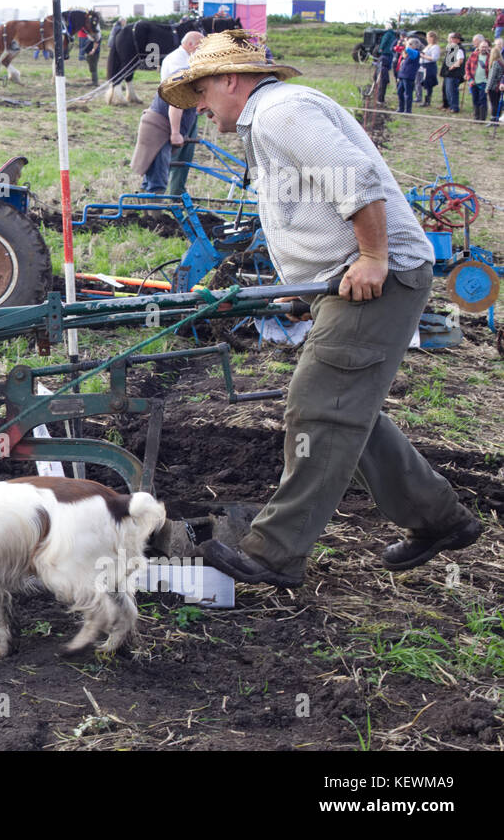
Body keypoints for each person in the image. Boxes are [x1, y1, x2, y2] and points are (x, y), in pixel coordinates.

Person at [158, 30, 482, 588]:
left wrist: (374, 256)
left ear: (230, 79)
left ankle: (274, 552)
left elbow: (355, 180)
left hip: (381, 278)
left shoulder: (283, 112)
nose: (202, 109)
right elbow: (306, 212)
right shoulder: (267, 121)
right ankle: (439, 520)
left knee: (318, 410)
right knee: (347, 410)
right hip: (347, 283)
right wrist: (305, 292)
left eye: (203, 92)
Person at [130, 30, 203, 194]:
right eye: (201, 46)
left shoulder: (186, 61)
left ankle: (148, 212)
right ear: (190, 44)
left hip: (166, 121)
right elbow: (176, 102)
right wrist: (175, 133)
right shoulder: (180, 65)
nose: (203, 51)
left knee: (155, 173)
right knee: (158, 177)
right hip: (163, 125)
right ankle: (155, 215)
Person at [465, 39, 492, 121]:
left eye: (485, 47)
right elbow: (467, 67)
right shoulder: (473, 55)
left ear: (488, 48)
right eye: (482, 47)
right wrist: (470, 79)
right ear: (479, 47)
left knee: (482, 99)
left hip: (484, 82)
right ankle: (476, 117)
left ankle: (482, 118)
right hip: (473, 82)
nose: (483, 48)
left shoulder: (490, 57)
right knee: (475, 99)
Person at [395, 33, 421, 113]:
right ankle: (401, 108)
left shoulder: (416, 53)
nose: (408, 45)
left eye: (410, 44)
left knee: (408, 93)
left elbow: (407, 49)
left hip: (409, 76)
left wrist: (406, 42)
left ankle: (408, 109)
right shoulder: (410, 53)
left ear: (415, 45)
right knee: (399, 92)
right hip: (403, 75)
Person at [441, 32, 465, 112]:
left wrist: (452, 67)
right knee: (448, 91)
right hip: (449, 74)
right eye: (452, 38)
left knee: (452, 91)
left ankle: (454, 107)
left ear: (458, 40)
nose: (452, 40)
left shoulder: (459, 48)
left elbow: (460, 60)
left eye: (454, 38)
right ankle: (450, 106)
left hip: (454, 74)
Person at [418, 31, 439, 106]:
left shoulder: (435, 47)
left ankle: (427, 101)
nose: (427, 38)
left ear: (432, 38)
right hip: (423, 66)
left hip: (430, 66)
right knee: (424, 83)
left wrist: (423, 56)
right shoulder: (428, 46)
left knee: (428, 84)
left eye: (428, 37)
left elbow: (434, 58)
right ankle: (425, 100)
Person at [487, 40, 504, 129]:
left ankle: (493, 120)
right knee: (497, 104)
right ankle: (496, 120)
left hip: (493, 87)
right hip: (499, 87)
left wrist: (487, 87)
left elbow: (492, 77)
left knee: (494, 104)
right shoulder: (501, 62)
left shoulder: (495, 63)